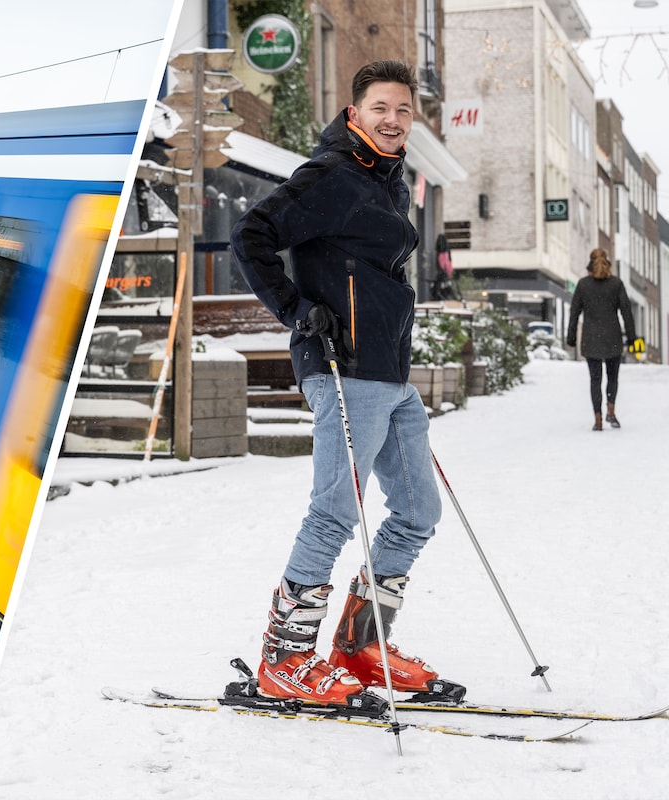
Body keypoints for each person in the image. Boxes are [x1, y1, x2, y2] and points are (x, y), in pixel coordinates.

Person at [229, 60, 442, 705]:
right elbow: (251, 234)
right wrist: (296, 310)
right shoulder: (332, 177)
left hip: (390, 376)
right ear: (355, 112)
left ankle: (359, 644)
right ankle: (284, 660)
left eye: (403, 109)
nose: (393, 119)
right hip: (344, 369)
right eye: (380, 107)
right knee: (334, 513)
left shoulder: (386, 179)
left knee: (416, 511)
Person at [566, 248, 640, 431]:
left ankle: (598, 419)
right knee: (612, 377)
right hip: (612, 337)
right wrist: (632, 338)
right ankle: (611, 410)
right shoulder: (616, 284)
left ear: (590, 264)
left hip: (591, 338)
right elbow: (626, 312)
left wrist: (571, 336)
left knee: (595, 379)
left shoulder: (583, 285)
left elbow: (574, 312)